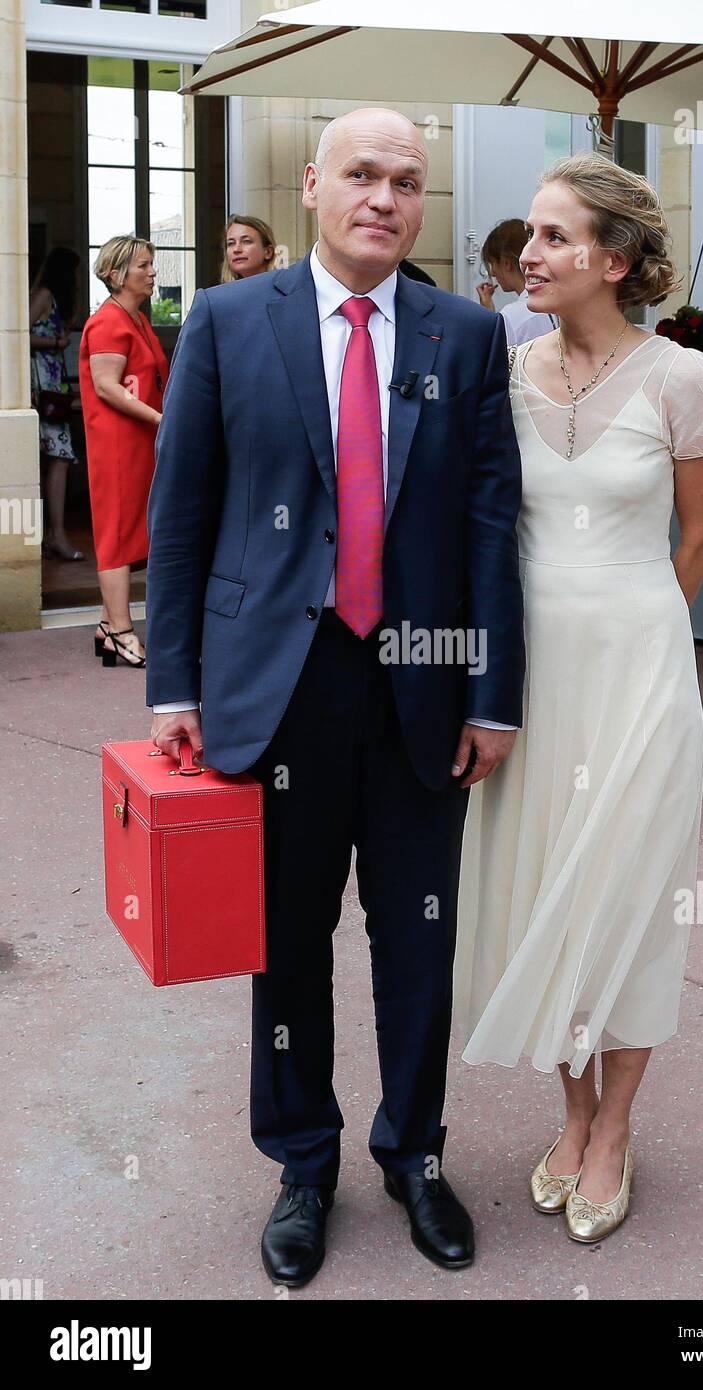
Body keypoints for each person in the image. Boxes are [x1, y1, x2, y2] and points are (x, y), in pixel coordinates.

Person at [145, 107, 524, 1287]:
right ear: (313, 185)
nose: (383, 198)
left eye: (406, 182)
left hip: (420, 690)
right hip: (276, 691)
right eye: (360, 174)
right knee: (286, 941)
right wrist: (173, 685)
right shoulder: (222, 319)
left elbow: (485, 523)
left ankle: (412, 1153)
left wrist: (493, 694)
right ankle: (302, 1162)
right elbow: (184, 513)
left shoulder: (462, 335)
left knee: (418, 940)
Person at [454, 152, 703, 1244]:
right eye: (529, 234)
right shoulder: (510, 367)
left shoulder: (681, 379)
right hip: (530, 691)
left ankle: (612, 1129)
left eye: (555, 237)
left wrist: (643, 642)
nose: (528, 254)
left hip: (638, 688)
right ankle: (565, 1116)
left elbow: (700, 534)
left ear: (612, 260)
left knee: (622, 903)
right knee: (541, 900)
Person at [79, 236, 168, 669]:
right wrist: (160, 420)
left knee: (134, 531)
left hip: (139, 443)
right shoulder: (109, 322)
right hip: (118, 445)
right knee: (116, 535)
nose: (152, 273)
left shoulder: (137, 319)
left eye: (152, 265)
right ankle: (121, 631)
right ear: (117, 275)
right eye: (144, 267)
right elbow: (105, 385)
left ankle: (106, 623)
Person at [30, 247, 83, 561]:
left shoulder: (56, 299)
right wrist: (55, 342)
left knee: (58, 457)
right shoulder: (44, 293)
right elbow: (17, 334)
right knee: (55, 457)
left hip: (53, 386)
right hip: (40, 387)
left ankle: (53, 535)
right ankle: (53, 536)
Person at [476, 217, 558, 344]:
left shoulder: (511, 317)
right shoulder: (554, 305)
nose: (492, 272)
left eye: (492, 264)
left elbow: (491, 355)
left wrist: (489, 319)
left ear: (506, 263)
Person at [221, 215, 277, 281]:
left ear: (268, 252)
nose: (236, 250)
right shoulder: (223, 291)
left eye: (246, 241)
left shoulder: (287, 288)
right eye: (231, 243)